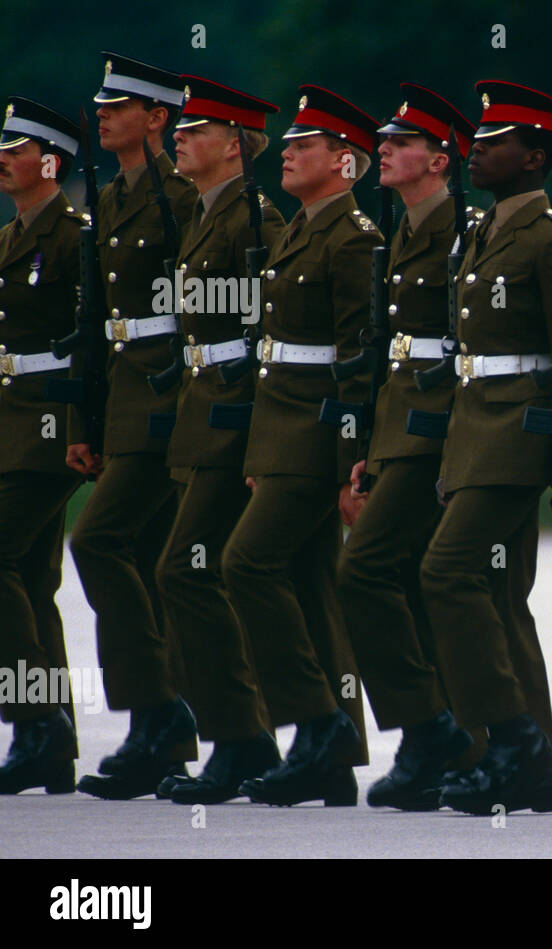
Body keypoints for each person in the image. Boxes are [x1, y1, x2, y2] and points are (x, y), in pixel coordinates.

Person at [335, 83, 534, 811]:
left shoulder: (465, 231)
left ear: (439, 159)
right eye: (382, 142)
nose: (382, 151)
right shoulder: (408, 229)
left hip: (450, 433)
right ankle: (438, 736)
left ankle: (444, 732)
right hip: (405, 431)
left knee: (374, 571)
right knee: (406, 578)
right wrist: (373, 447)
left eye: (400, 143)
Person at [224, 85, 381, 806]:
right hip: (283, 432)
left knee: (246, 562)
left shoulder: (353, 238)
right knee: (311, 580)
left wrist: (354, 461)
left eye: (304, 145)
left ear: (346, 163)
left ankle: (315, 723)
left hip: (317, 438)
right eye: (285, 144)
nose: (287, 153)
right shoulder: (297, 229)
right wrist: (260, 453)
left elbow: (359, 360)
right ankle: (335, 748)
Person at [426, 81, 552, 816]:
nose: (475, 150)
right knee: (495, 594)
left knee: (445, 570)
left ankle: (512, 738)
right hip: (473, 430)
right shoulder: (478, 231)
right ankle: (523, 760)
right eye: (476, 138)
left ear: (535, 157)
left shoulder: (551, 238)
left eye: (496, 141)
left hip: (515, 437)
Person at [149, 75, 286, 805]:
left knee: (188, 570)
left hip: (234, 418)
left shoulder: (252, 222)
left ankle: (243, 736)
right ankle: (241, 735)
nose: (179, 136)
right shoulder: (210, 216)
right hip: (201, 412)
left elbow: (268, 340)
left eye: (195, 130)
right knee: (200, 573)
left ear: (232, 146)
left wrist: (257, 439)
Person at [72, 52, 200, 800]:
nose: (103, 114)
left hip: (168, 401)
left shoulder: (181, 198)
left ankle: (158, 708)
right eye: (101, 104)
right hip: (124, 403)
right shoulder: (111, 199)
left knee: (98, 538)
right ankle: (164, 732)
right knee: (148, 561)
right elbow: (97, 320)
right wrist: (86, 417)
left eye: (120, 105)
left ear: (157, 118)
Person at [0, 98, 87, 794]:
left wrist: (89, 425)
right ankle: (51, 743)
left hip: (55, 424)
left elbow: (95, 343)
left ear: (50, 162)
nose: (2, 155)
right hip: (12, 421)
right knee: (29, 579)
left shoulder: (77, 237)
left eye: (17, 146)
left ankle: (35, 719)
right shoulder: (8, 239)